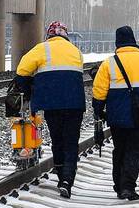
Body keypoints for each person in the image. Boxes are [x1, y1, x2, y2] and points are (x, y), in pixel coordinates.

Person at [93, 26, 139, 200]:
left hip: (117, 115)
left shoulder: (109, 63)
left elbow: (98, 92)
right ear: (134, 41)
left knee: (120, 149)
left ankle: (119, 185)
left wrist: (99, 109)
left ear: (117, 43)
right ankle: (128, 186)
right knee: (134, 150)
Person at [13, 20, 85, 198]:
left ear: (49, 34)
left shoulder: (42, 48)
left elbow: (22, 71)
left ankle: (61, 175)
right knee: (71, 142)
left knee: (57, 140)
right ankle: (67, 180)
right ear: (65, 36)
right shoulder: (76, 51)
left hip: (52, 105)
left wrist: (29, 88)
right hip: (75, 104)